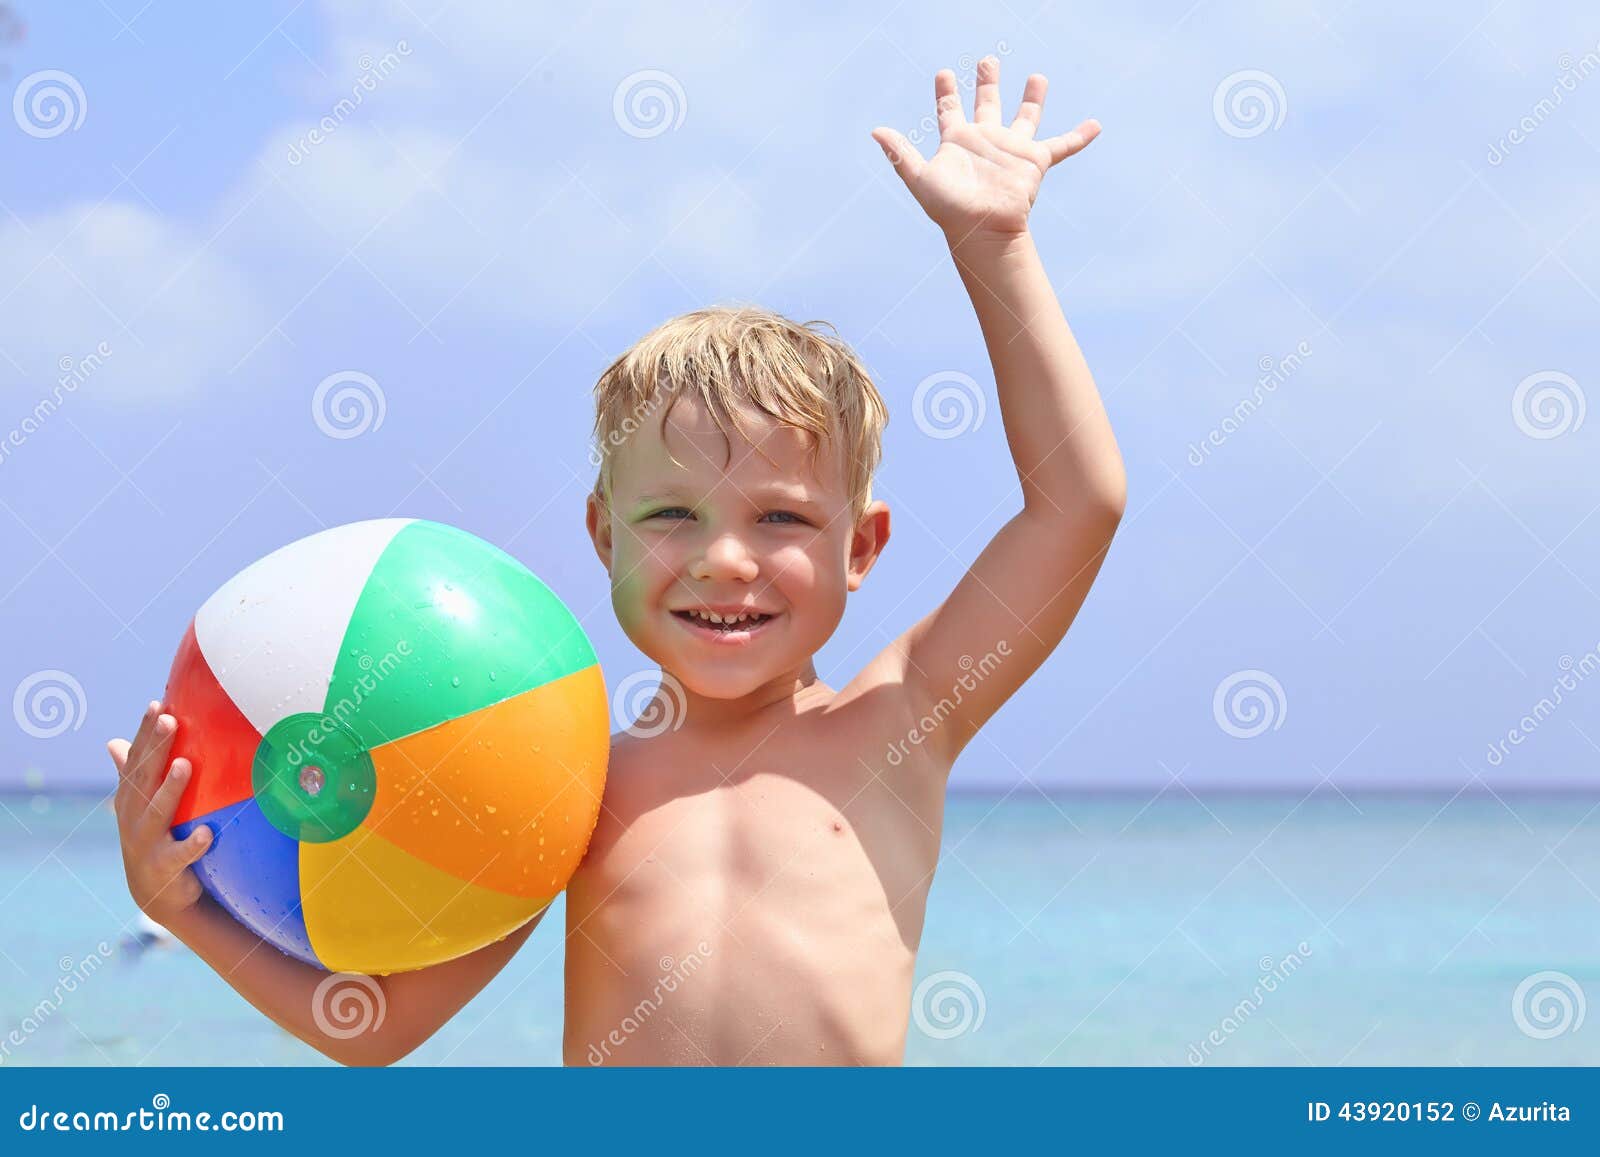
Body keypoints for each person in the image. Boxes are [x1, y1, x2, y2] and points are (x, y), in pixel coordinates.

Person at [107, 56, 1125, 1066]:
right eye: (673, 514)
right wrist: (185, 909)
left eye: (779, 518)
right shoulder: (558, 777)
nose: (725, 560)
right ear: (603, 536)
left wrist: (995, 248)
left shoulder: (905, 717)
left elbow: (1079, 502)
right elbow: (377, 1027)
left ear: (859, 546)